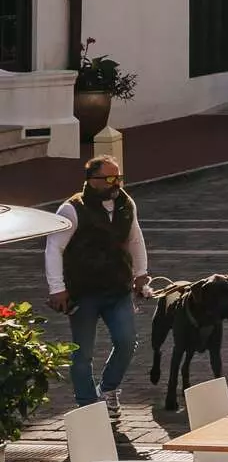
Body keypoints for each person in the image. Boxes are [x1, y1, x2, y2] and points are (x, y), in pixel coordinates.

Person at [44, 156, 150, 416]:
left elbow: (135, 238)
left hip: (118, 288)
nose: (117, 183)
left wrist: (141, 273)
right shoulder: (71, 209)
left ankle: (108, 388)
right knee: (82, 353)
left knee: (127, 341)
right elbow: (53, 248)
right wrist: (57, 288)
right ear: (93, 180)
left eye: (119, 177)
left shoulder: (126, 203)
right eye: (111, 178)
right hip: (83, 292)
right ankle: (87, 406)